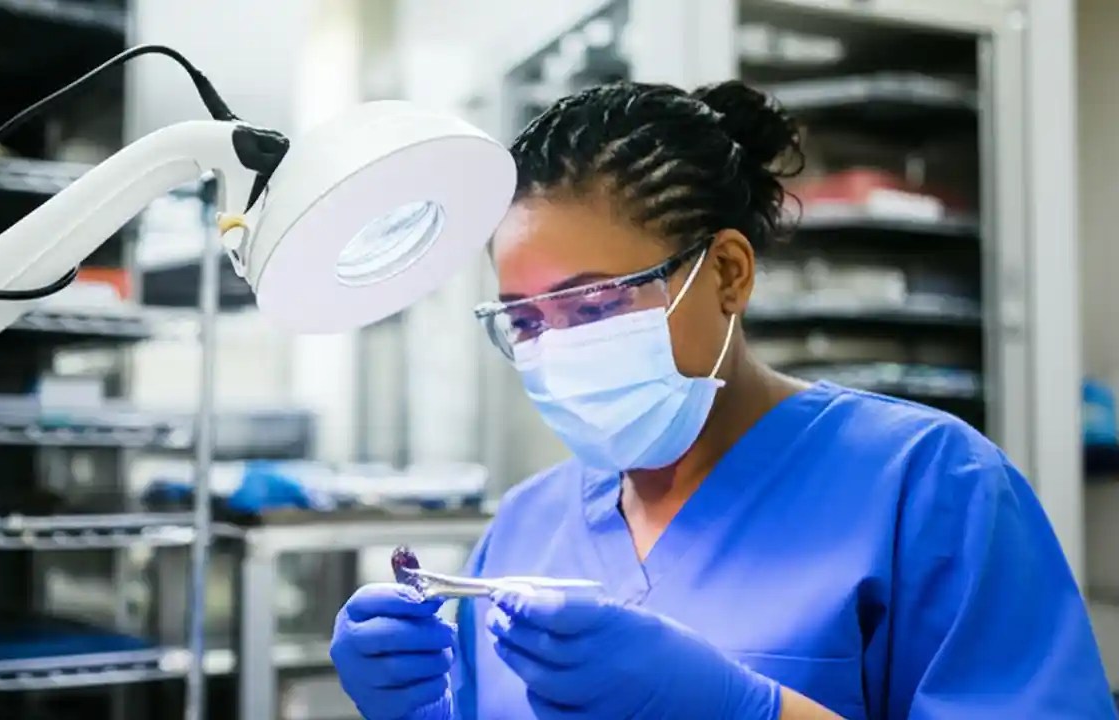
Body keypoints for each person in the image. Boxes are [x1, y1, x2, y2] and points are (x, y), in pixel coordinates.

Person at [329, 80, 1116, 719]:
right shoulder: (526, 526)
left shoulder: (931, 488)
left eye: (596, 306)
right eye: (525, 320)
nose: (557, 347)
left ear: (729, 273)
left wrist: (747, 709)